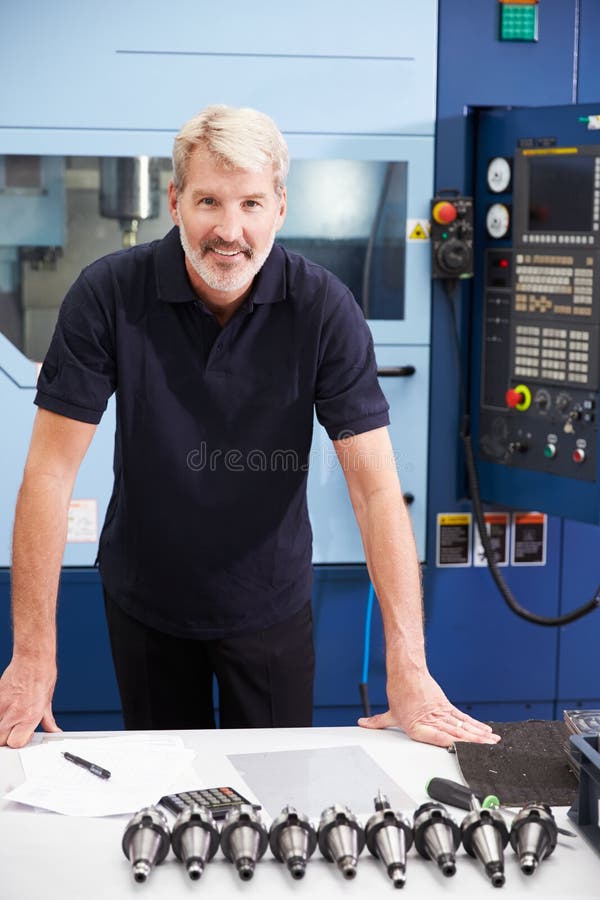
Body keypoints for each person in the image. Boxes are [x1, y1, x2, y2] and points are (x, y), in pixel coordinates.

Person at [0, 105, 499, 750]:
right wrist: (33, 655)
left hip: (269, 604)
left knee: (274, 802)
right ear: (175, 201)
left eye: (252, 203)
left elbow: (376, 489)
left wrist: (408, 668)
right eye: (209, 200)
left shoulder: (322, 308)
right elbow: (49, 472)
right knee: (166, 793)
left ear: (280, 209)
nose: (229, 230)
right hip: (145, 598)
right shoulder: (108, 294)